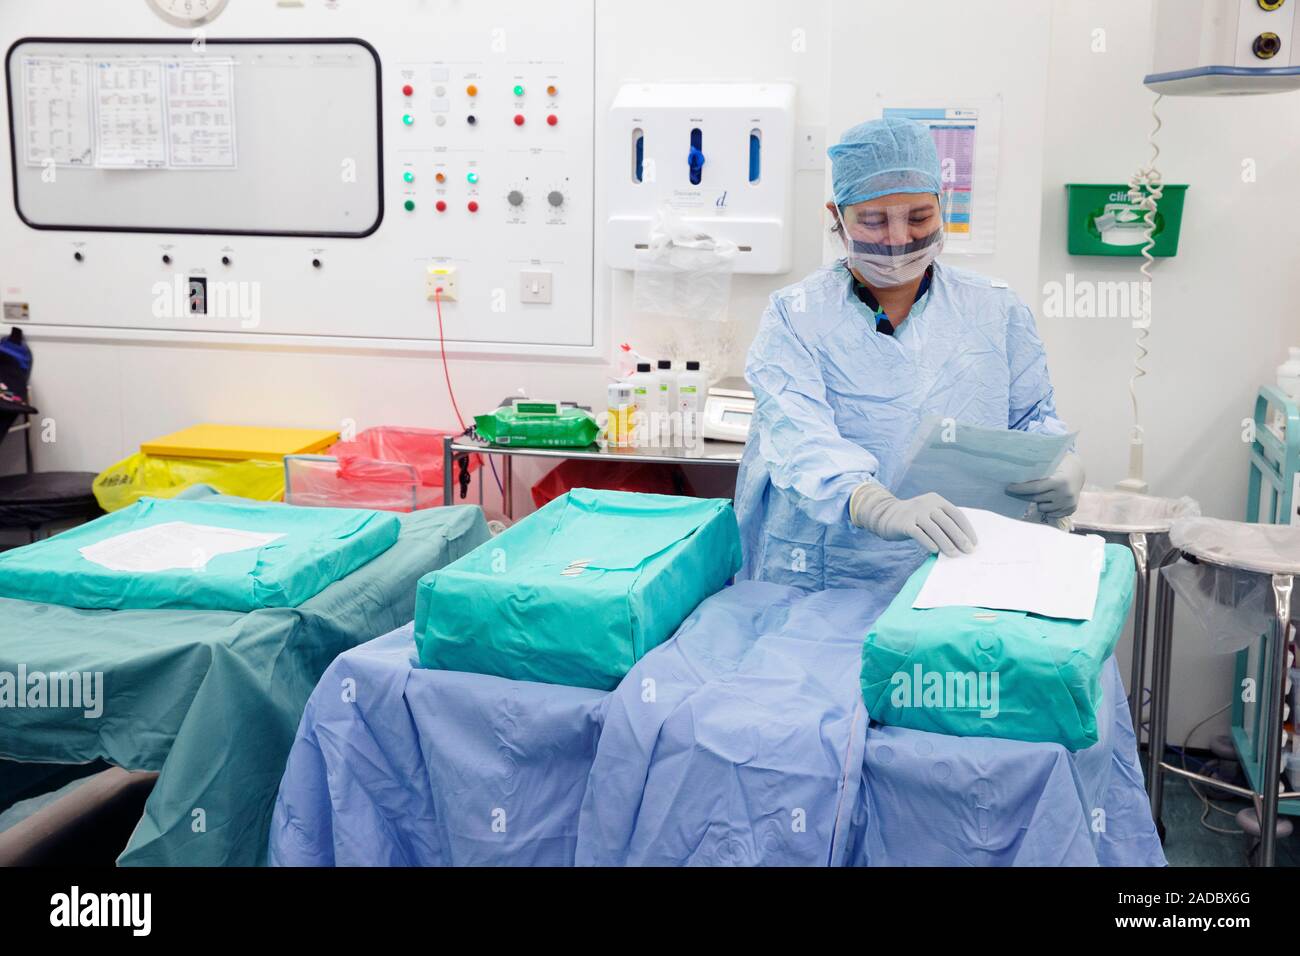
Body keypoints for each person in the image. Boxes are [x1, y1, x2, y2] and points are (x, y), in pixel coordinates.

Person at [734, 116, 1083, 594]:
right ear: (836, 217)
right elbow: (798, 437)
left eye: (918, 217)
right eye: (874, 220)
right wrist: (877, 506)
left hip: (961, 564)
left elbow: (1033, 419)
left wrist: (1063, 467)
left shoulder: (995, 309)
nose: (899, 239)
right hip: (826, 570)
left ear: (944, 207)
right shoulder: (795, 316)